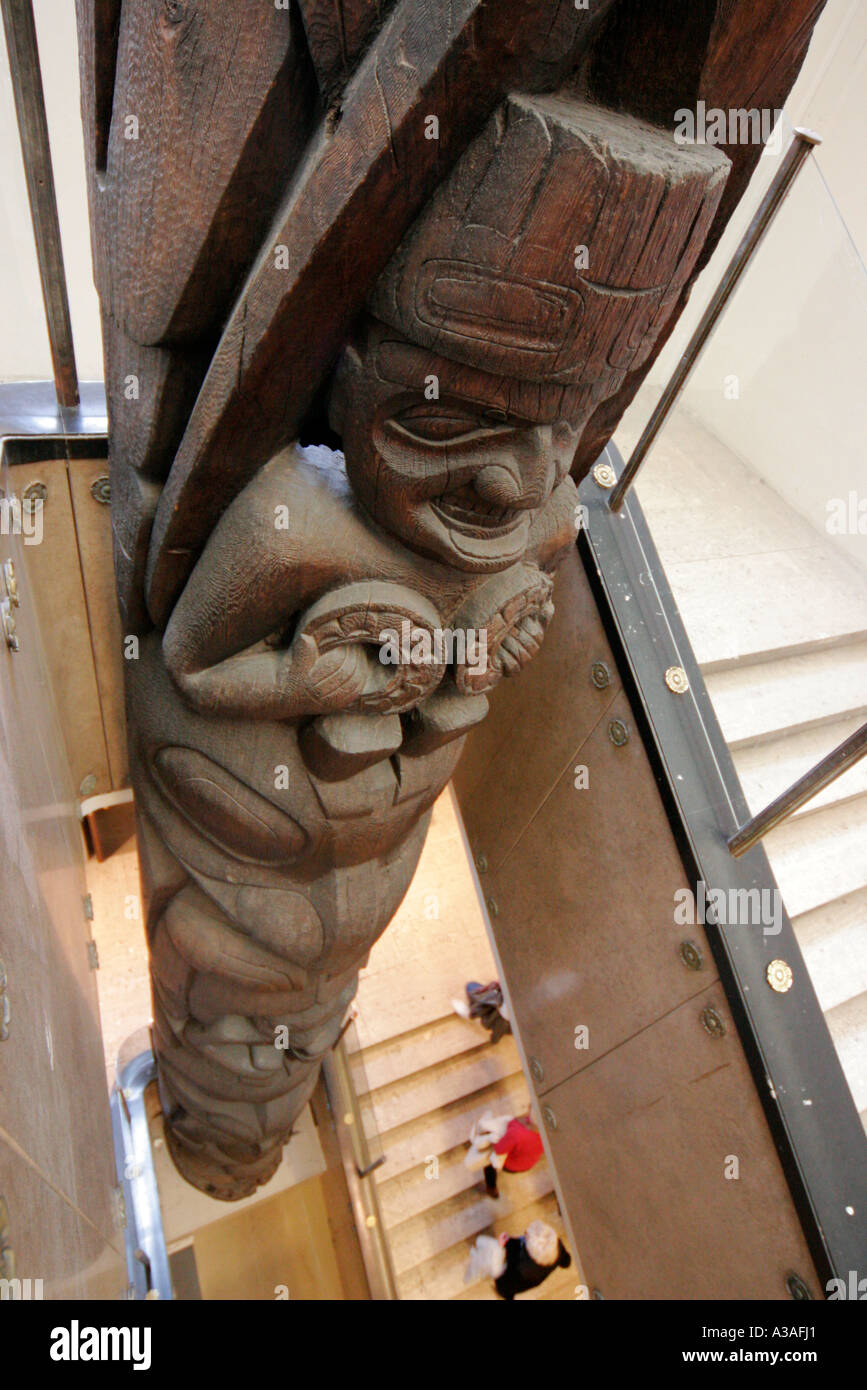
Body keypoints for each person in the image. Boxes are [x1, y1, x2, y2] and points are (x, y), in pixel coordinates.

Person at [465, 1220, 571, 1300]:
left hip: (516, 1282)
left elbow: (500, 1276)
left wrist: (501, 1246)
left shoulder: (520, 1264)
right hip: (536, 1279)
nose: (525, 1232)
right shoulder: (557, 1245)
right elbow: (565, 1259)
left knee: (506, 1290)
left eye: (527, 1237)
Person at [482, 1113, 544, 1199]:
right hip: (529, 1163)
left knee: (489, 1163)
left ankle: (491, 1188)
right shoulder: (546, 1135)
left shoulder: (517, 1132)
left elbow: (499, 1149)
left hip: (511, 1165)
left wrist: (490, 1135)